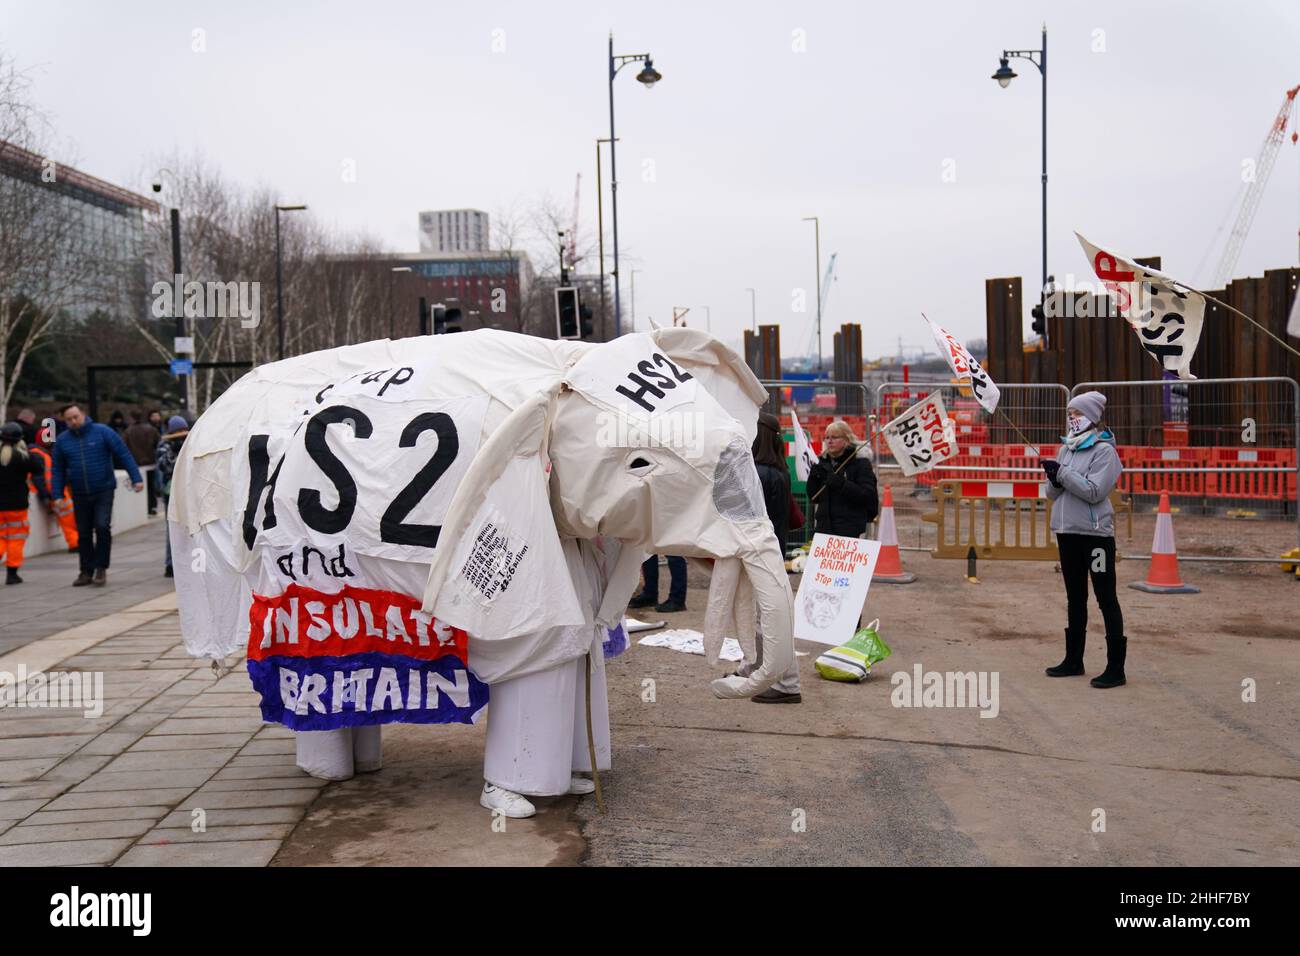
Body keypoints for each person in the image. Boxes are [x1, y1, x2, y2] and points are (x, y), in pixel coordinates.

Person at [1042, 391, 1127, 689]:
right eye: (1069, 414)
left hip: (1096, 537)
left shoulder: (1105, 452)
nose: (1071, 419)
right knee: (1075, 598)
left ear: (1091, 416)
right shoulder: (1066, 449)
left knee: (1106, 599)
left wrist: (1062, 475)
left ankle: (1116, 667)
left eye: (1076, 414)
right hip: (1068, 534)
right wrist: (1054, 478)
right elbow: (1050, 494)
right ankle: (1073, 660)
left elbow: (1094, 491)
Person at [741, 411, 802, 704]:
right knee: (766, 619)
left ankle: (786, 683)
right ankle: (761, 670)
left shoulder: (757, 473)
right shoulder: (778, 471)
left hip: (759, 554)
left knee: (769, 623)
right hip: (772, 551)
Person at [51, 403, 143, 587]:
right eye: (69, 419)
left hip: (103, 489)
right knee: (83, 533)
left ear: (83, 414)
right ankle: (86, 571)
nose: (73, 421)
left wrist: (136, 478)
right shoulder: (62, 441)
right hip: (78, 492)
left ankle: (101, 567)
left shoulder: (102, 432)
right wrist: (57, 495)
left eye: (75, 417)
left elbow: (123, 454)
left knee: (102, 526)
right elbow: (57, 470)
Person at [806, 419, 879, 538]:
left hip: (850, 532)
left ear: (846, 440)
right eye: (826, 437)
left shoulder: (861, 464)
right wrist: (813, 479)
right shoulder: (823, 463)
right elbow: (814, 497)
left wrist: (841, 484)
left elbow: (867, 495)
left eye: (834, 437)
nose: (829, 441)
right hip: (824, 530)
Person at [0, 422, 41, 585]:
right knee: (16, 538)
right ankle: (12, 573)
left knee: (1, 537)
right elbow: (38, 468)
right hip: (17, 505)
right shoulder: (22, 456)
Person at [26, 429, 78, 553]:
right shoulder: (39, 455)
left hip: (56, 492)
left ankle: (76, 542)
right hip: (55, 493)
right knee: (68, 520)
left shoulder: (41, 454)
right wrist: (46, 495)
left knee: (69, 519)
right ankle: (75, 543)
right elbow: (39, 477)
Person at [155, 415, 188, 577]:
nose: (181, 433)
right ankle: (170, 564)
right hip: (171, 492)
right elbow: (164, 467)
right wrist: (175, 452)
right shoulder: (164, 446)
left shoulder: (191, 442)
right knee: (172, 527)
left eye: (183, 430)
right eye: (178, 431)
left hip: (189, 489)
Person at [125, 411, 161, 516]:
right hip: (151, 462)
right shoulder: (151, 430)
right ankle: (152, 507)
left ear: (132, 418)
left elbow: (125, 448)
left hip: (136, 464)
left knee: (140, 486)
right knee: (151, 486)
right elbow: (159, 444)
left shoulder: (128, 432)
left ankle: (143, 508)